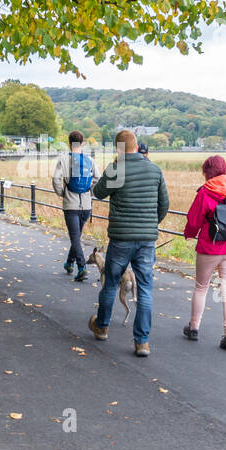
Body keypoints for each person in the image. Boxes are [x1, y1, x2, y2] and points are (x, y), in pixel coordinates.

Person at [88, 130, 169, 357]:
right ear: (136, 147)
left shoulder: (117, 169)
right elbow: (164, 204)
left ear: (119, 149)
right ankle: (142, 342)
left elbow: (99, 192)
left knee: (111, 283)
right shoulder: (155, 170)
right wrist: (150, 225)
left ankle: (102, 326)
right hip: (146, 241)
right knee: (144, 289)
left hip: (121, 239)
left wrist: (112, 168)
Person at [182, 155, 226, 351]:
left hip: (209, 247)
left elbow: (194, 220)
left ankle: (194, 328)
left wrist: (189, 234)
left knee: (201, 287)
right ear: (224, 169)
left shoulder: (205, 192)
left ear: (206, 171)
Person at [52, 131, 97, 281]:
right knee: (76, 236)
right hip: (86, 206)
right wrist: (90, 192)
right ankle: (69, 263)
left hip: (70, 205)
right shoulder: (90, 159)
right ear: (82, 143)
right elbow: (98, 178)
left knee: (75, 237)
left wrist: (62, 193)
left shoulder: (64, 160)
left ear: (69, 143)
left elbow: (56, 179)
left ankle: (82, 266)